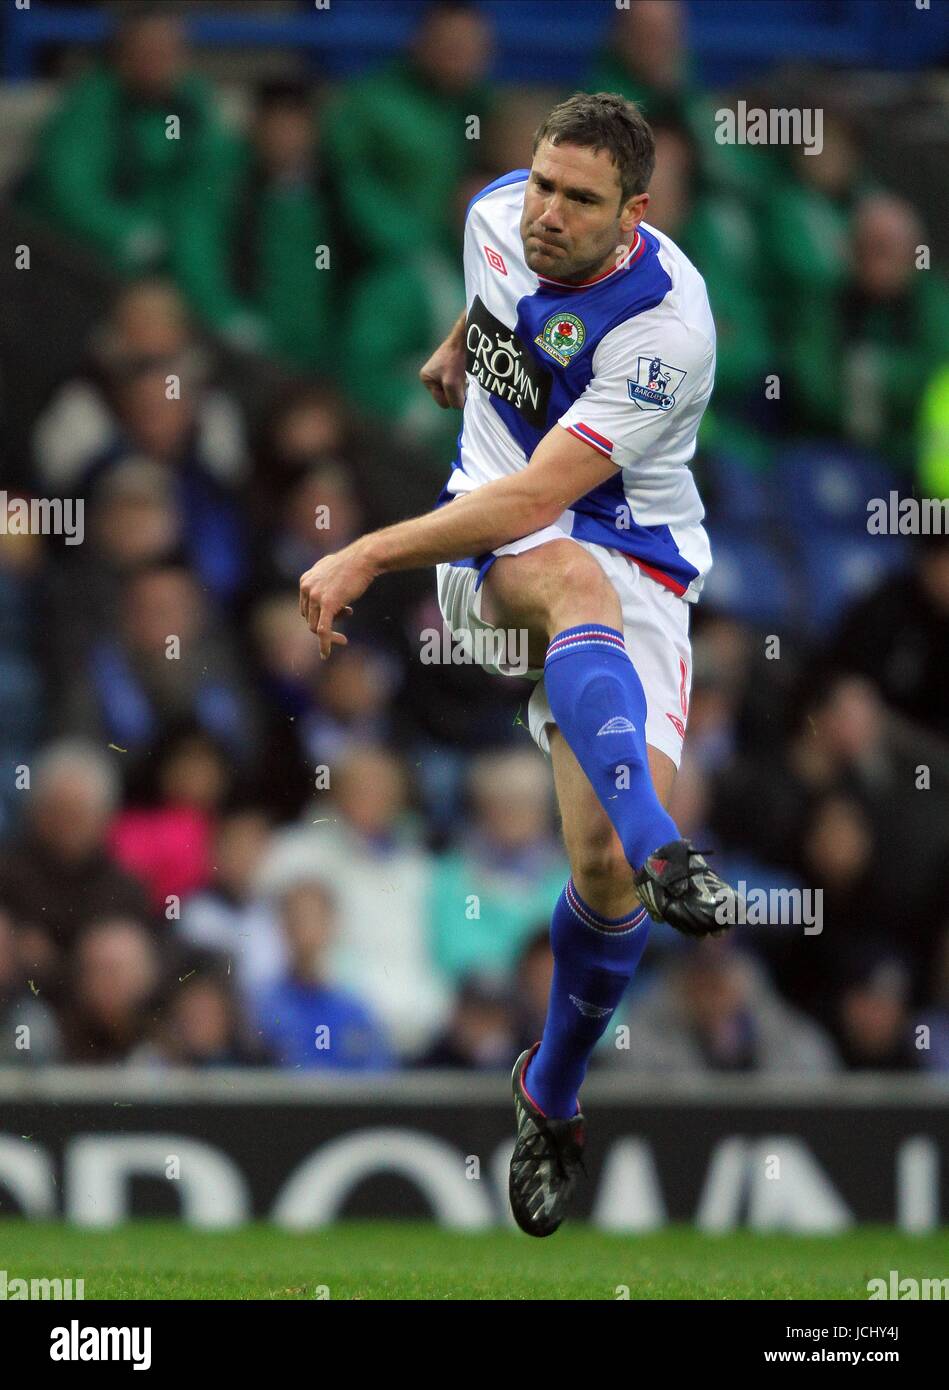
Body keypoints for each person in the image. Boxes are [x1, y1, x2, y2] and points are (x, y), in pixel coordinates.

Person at [298, 92, 739, 1237]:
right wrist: (459, 341)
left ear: (632, 213)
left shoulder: (666, 332)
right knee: (566, 585)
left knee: (596, 878)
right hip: (489, 543)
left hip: (633, 553)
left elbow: (553, 491)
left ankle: (550, 1093)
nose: (545, 211)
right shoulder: (499, 213)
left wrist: (359, 552)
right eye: (541, 181)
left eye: (578, 200)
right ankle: (670, 852)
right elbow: (503, 312)